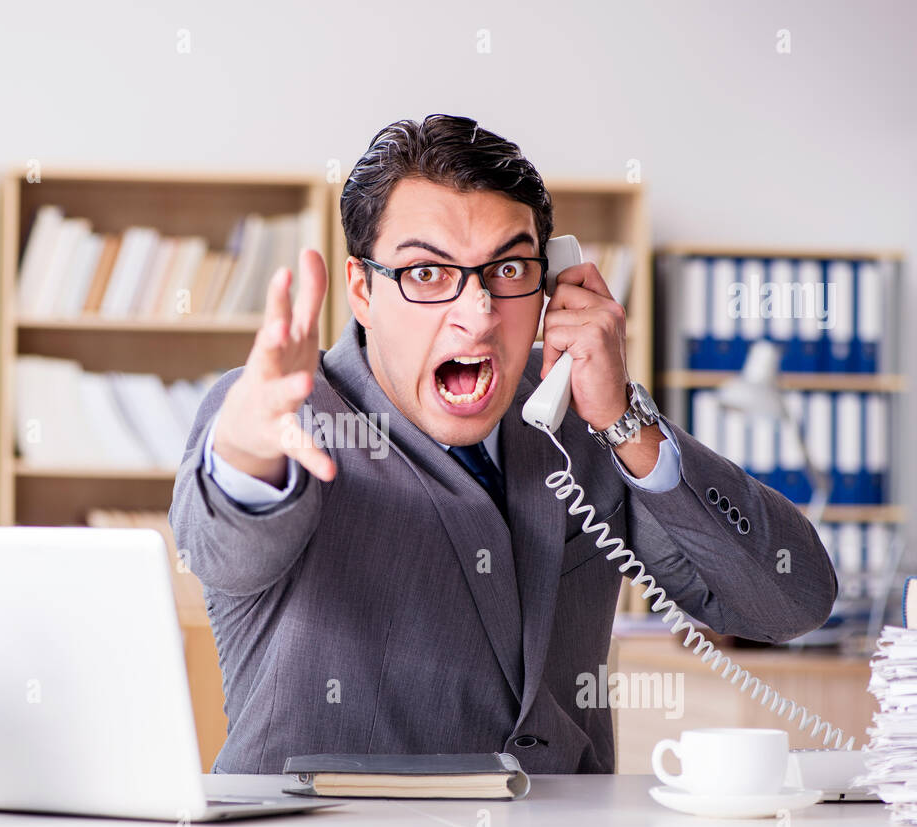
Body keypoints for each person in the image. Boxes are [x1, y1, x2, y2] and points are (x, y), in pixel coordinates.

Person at [170, 114, 837, 774]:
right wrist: (243, 453)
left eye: (509, 268)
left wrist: (624, 421)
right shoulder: (283, 411)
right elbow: (222, 546)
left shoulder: (585, 431)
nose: (480, 312)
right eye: (427, 274)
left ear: (553, 287)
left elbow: (792, 599)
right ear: (362, 292)